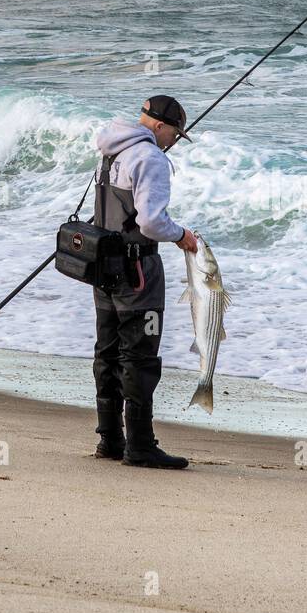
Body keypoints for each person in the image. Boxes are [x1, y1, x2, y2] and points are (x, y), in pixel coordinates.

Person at [91, 95, 198, 469]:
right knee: (139, 357)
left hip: (103, 270)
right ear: (159, 126)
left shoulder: (111, 150)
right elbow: (151, 223)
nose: (172, 142)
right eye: (174, 134)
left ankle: (109, 440)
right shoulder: (150, 158)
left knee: (107, 352)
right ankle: (140, 445)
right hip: (137, 274)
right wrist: (181, 233)